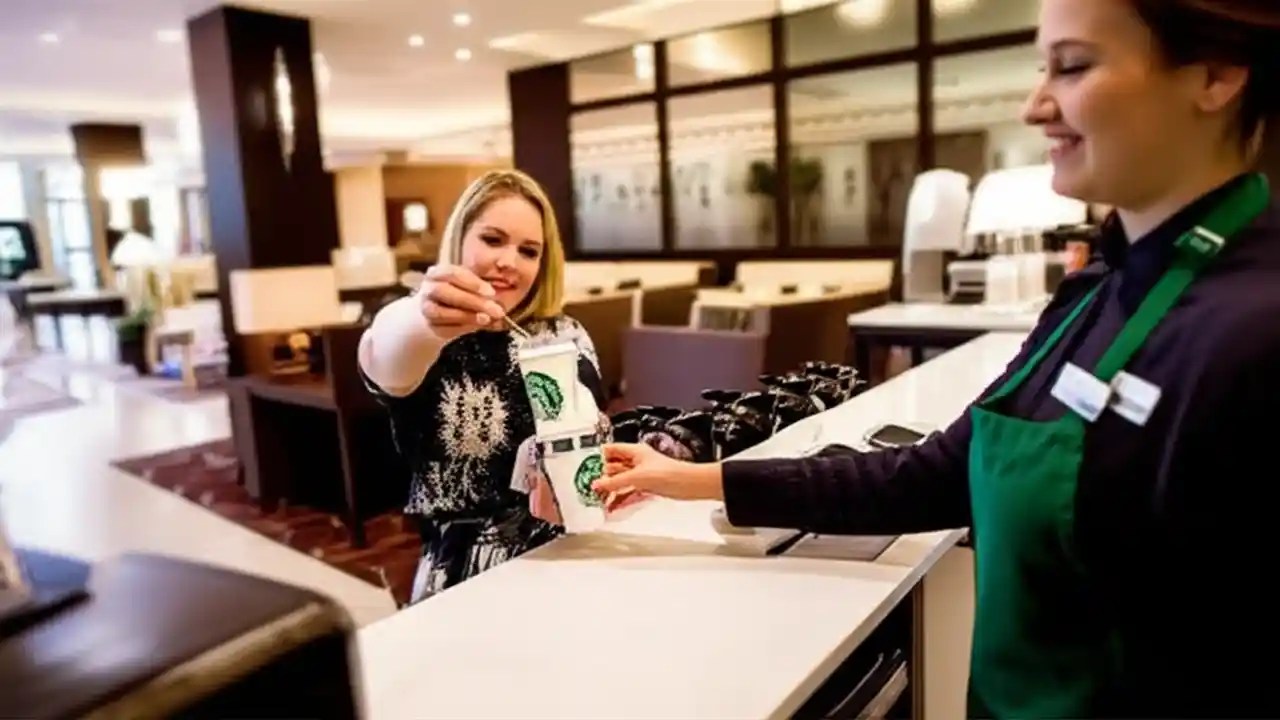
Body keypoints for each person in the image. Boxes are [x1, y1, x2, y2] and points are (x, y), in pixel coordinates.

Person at [596, 1, 1280, 717]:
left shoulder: (1254, 329)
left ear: (1217, 74)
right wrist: (693, 479)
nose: (1034, 106)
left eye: (1073, 67)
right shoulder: (1095, 286)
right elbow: (943, 472)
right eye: (1040, 68)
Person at [359, 169, 605, 605]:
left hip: (568, 560)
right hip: (462, 580)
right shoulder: (427, 334)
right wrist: (426, 318)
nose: (509, 261)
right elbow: (386, 354)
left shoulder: (567, 334)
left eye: (528, 251)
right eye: (492, 240)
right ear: (460, 238)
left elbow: (593, 438)